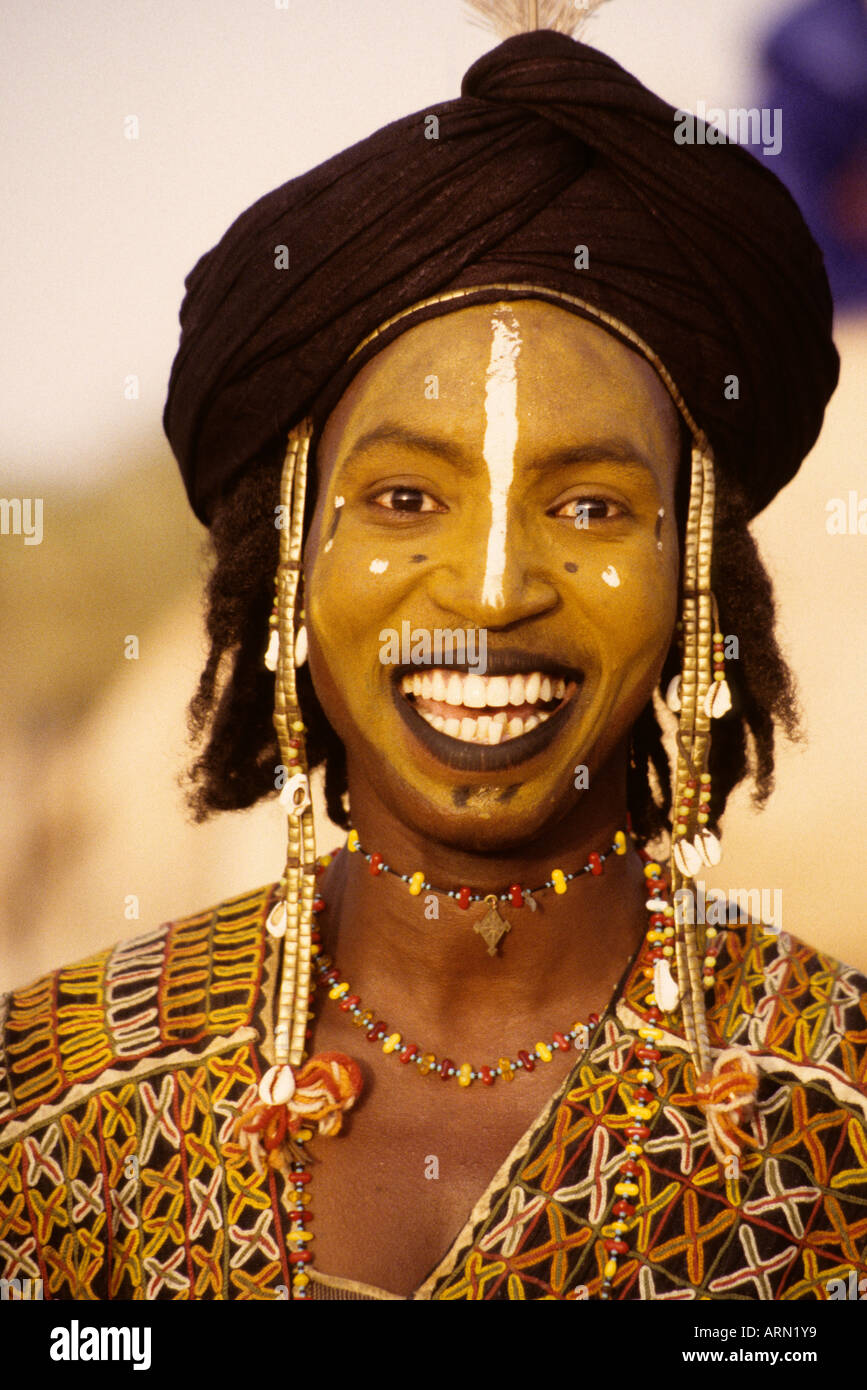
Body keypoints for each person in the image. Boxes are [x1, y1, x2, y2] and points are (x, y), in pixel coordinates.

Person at [1, 14, 865, 1302]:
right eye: (406, 499)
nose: (494, 589)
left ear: (697, 570)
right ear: (289, 554)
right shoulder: (49, 1108)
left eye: (588, 508)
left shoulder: (835, 1128)